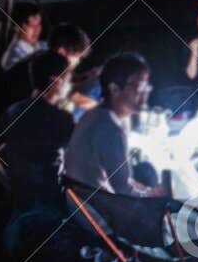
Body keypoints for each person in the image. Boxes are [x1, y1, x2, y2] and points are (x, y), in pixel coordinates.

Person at [0, 51, 75, 253]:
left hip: (21, 211)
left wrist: (10, 184)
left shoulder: (13, 111)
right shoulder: (63, 119)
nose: (69, 85)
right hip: (53, 210)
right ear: (55, 81)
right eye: (68, 79)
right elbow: (76, 163)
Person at [64, 52, 162, 197]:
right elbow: (124, 190)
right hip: (94, 208)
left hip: (84, 199)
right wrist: (157, 196)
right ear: (114, 89)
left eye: (147, 87)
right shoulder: (108, 128)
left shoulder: (100, 114)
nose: (145, 94)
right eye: (140, 88)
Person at [50, 22, 99, 115]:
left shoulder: (56, 67)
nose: (78, 62)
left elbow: (69, 88)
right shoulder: (52, 74)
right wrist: (100, 110)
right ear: (62, 52)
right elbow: (69, 96)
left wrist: (85, 76)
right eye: (77, 57)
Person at [0, 2, 45, 71]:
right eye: (32, 26)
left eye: (39, 24)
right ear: (16, 27)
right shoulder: (12, 58)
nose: (37, 30)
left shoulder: (43, 45)